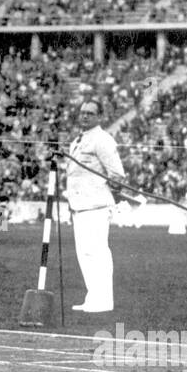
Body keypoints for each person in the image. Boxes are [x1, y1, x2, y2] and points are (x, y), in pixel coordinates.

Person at [62, 99, 125, 313]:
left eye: (90, 113)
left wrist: (109, 189)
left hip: (96, 205)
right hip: (79, 207)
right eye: (82, 113)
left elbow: (117, 173)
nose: (85, 116)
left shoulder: (102, 140)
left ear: (99, 116)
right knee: (85, 255)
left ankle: (104, 301)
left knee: (97, 253)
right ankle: (93, 297)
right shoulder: (78, 140)